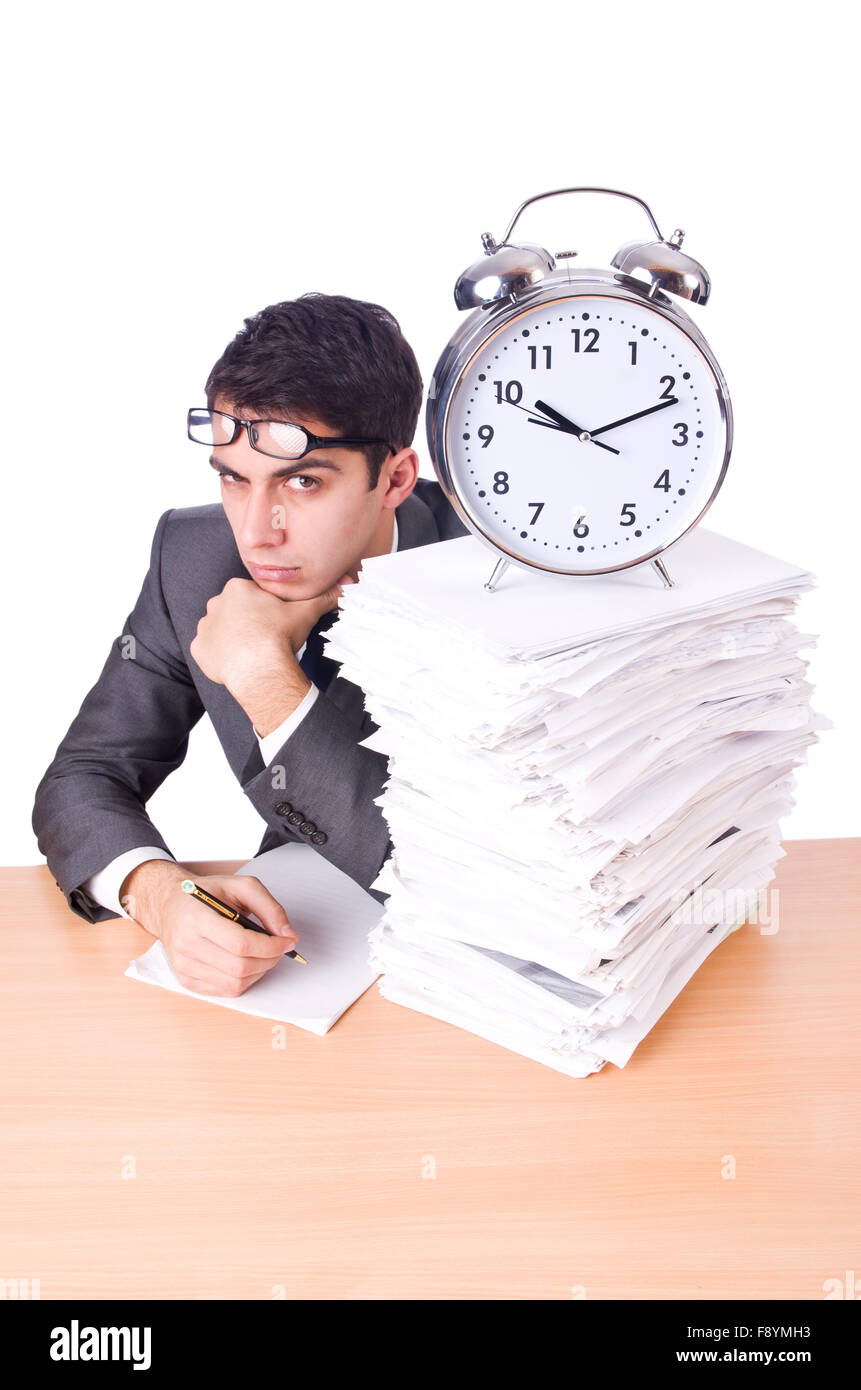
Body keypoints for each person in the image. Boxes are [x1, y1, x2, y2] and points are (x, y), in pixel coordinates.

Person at [33, 293, 468, 998]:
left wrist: (266, 680)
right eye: (235, 479)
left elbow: (467, 878)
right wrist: (160, 893)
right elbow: (86, 774)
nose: (258, 531)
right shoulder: (193, 557)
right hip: (299, 960)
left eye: (301, 482)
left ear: (393, 478)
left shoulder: (497, 578)